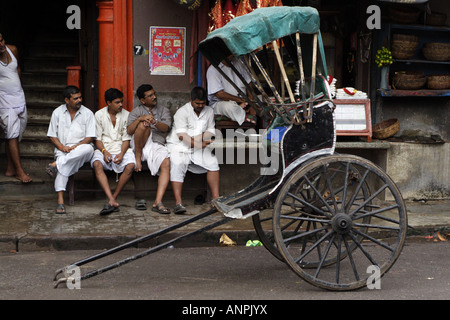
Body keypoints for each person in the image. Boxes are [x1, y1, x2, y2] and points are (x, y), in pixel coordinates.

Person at [167, 87, 220, 214]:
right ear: (191, 100)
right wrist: (198, 144)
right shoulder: (182, 112)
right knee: (177, 164)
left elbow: (211, 130)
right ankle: (178, 203)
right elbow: (182, 136)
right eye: (197, 103)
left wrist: (199, 140)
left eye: (203, 103)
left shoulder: (209, 111)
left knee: (213, 162)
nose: (200, 106)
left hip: (197, 144)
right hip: (178, 146)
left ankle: (216, 199)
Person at [46, 86, 96, 214]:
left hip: (82, 148)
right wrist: (62, 147)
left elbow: (90, 137)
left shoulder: (88, 113)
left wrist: (76, 146)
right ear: (67, 100)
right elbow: (52, 135)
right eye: (75, 98)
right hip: (63, 149)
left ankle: (55, 165)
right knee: (64, 161)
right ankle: (60, 201)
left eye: (80, 97)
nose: (79, 100)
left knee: (86, 149)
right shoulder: (57, 112)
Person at [127, 84, 172, 214]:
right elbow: (129, 130)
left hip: (157, 143)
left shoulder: (163, 110)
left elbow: (166, 128)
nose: (154, 97)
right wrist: (142, 119)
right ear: (142, 100)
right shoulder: (136, 111)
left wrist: (154, 122)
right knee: (142, 125)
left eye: (154, 94)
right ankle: (138, 157)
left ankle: (157, 202)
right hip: (139, 144)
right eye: (150, 96)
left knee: (166, 162)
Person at [91, 88, 136, 216]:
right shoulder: (99, 115)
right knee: (97, 164)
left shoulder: (127, 115)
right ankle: (110, 198)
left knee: (130, 165)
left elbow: (126, 139)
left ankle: (112, 198)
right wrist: (104, 152)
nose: (121, 105)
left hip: (122, 147)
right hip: (103, 147)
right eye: (117, 102)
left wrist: (121, 154)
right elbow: (97, 139)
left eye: (121, 101)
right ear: (108, 103)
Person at [0, 33, 32, 183]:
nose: (1, 44)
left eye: (1, 40)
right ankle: (20, 171)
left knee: (16, 132)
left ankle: (10, 168)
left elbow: (17, 68)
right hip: (3, 100)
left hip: (18, 96)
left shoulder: (12, 49)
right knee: (12, 133)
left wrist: (18, 85)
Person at [206, 56, 256, 126]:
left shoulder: (239, 64)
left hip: (244, 101)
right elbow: (219, 94)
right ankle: (245, 116)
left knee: (262, 102)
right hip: (221, 104)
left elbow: (249, 84)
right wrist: (240, 100)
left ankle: (242, 109)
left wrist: (251, 102)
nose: (232, 55)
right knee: (230, 107)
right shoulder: (213, 69)